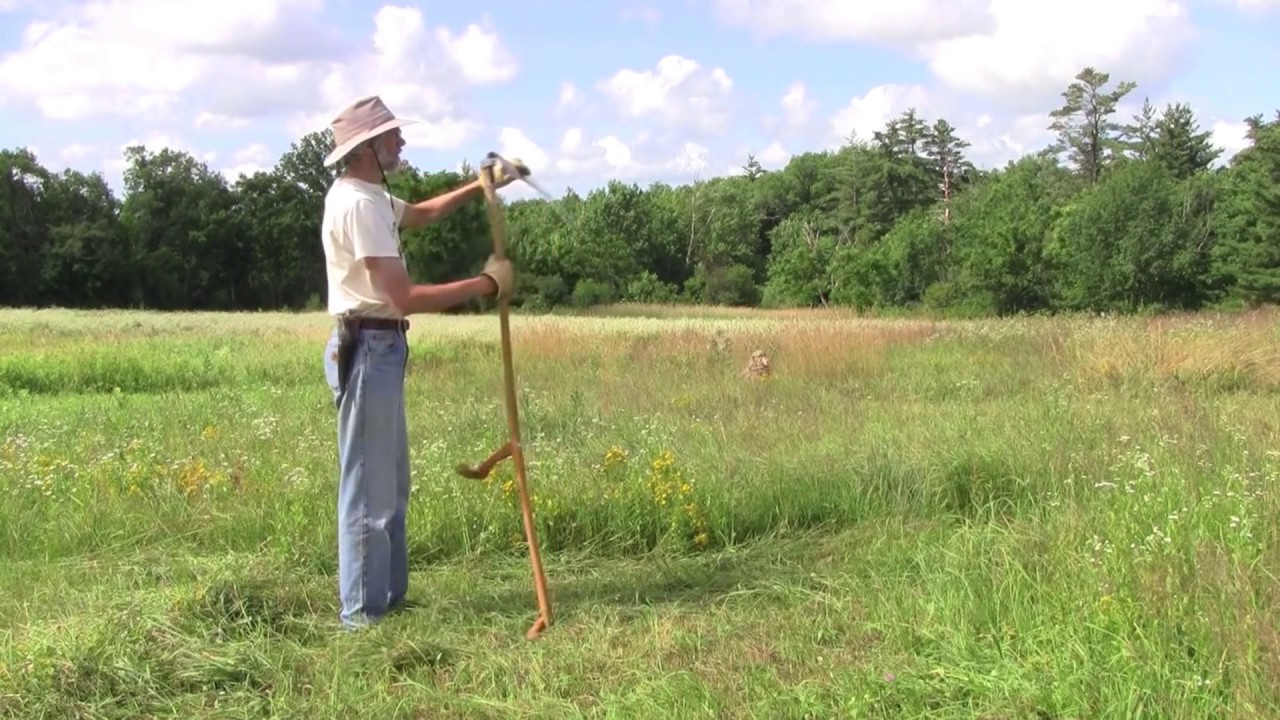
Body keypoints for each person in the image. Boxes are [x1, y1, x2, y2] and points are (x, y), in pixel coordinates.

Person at [318, 94, 526, 629]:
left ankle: (387, 600)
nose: (402, 141)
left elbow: (424, 214)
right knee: (369, 491)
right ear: (367, 148)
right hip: (368, 347)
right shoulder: (358, 206)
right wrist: (486, 284)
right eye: (393, 135)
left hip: (382, 347)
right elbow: (404, 296)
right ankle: (364, 617)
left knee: (390, 484)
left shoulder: (370, 196)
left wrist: (482, 185)